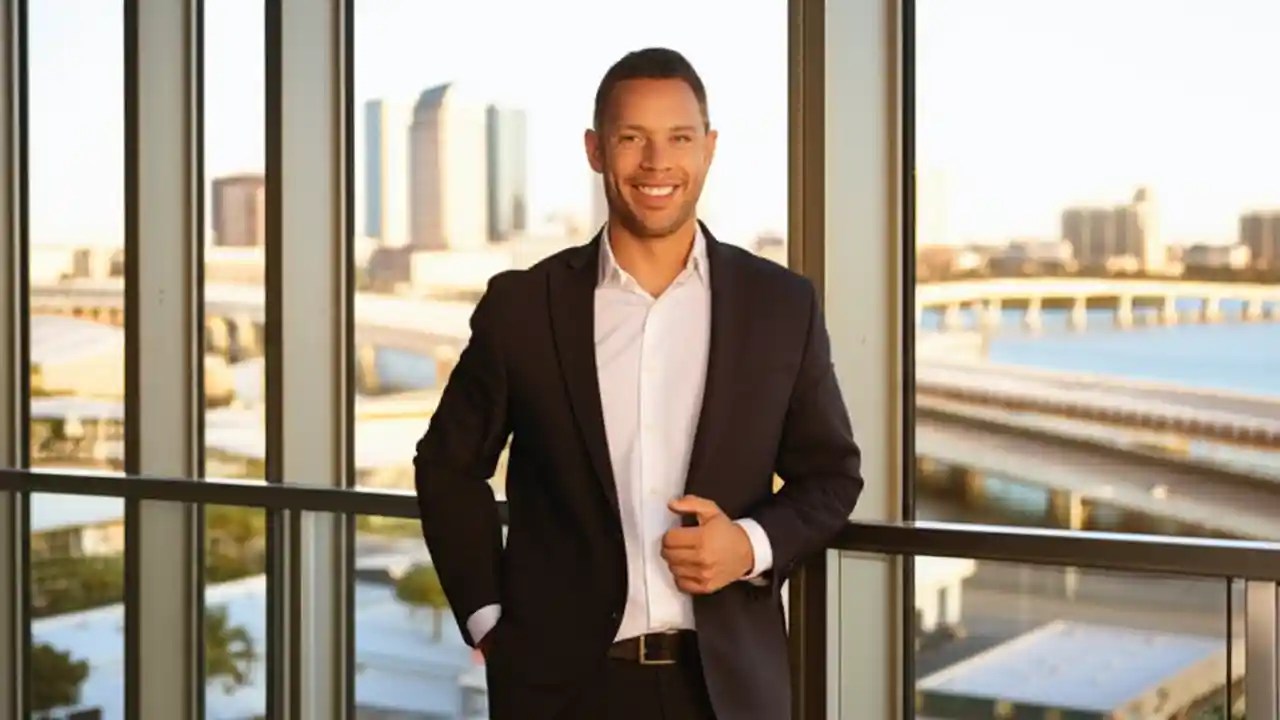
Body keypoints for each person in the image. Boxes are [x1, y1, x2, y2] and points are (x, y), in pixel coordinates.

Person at [414, 47, 863, 720]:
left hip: (728, 693)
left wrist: (749, 545)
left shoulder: (781, 306)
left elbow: (831, 477)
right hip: (561, 690)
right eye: (633, 138)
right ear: (596, 150)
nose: (657, 163)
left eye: (679, 138)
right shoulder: (524, 308)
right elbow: (447, 467)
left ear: (708, 149)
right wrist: (489, 619)